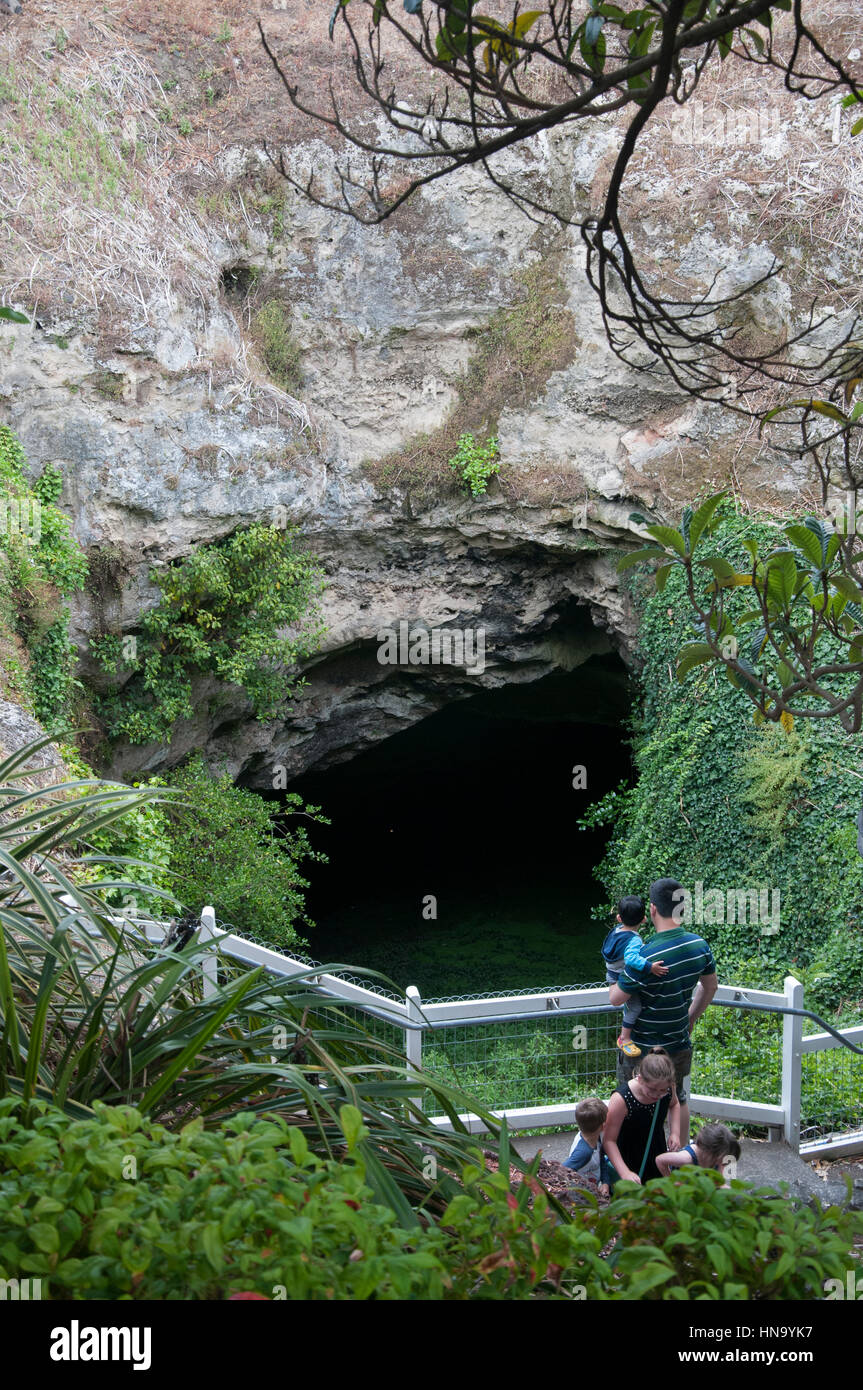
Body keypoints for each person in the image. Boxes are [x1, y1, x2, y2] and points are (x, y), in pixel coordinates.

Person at [609, 877, 717, 1146]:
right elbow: (710, 987)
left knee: (631, 1099)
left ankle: (631, 1162)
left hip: (643, 1047)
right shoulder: (699, 946)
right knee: (677, 1098)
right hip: (678, 1040)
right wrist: (690, 1018)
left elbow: (616, 998)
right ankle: (677, 1157)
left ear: (653, 910)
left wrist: (613, 976)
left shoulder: (645, 956)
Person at [601, 894, 669, 1058]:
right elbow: (631, 958)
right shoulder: (634, 939)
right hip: (619, 977)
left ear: (618, 918)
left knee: (631, 1005)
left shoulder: (616, 931)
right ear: (644, 919)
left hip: (611, 973)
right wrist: (649, 967)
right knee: (636, 1007)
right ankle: (624, 1038)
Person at [601, 1048, 681, 1189]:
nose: (657, 1094)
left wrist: (675, 1132)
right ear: (639, 1078)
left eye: (662, 1090)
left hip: (656, 1150)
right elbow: (608, 1141)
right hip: (627, 1156)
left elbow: (674, 1104)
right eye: (652, 1089)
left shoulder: (668, 1088)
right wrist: (625, 1172)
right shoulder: (622, 1099)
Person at [655, 1122, 740, 1177]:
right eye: (719, 1160)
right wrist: (671, 1182)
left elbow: (719, 1180)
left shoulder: (720, 1158)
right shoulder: (686, 1158)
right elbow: (660, 1160)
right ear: (707, 1151)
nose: (722, 1163)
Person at [562, 1097, 608, 1189]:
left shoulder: (596, 1138)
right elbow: (561, 1171)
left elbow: (601, 1158)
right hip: (580, 1194)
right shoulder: (583, 1152)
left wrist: (605, 1182)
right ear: (603, 1126)